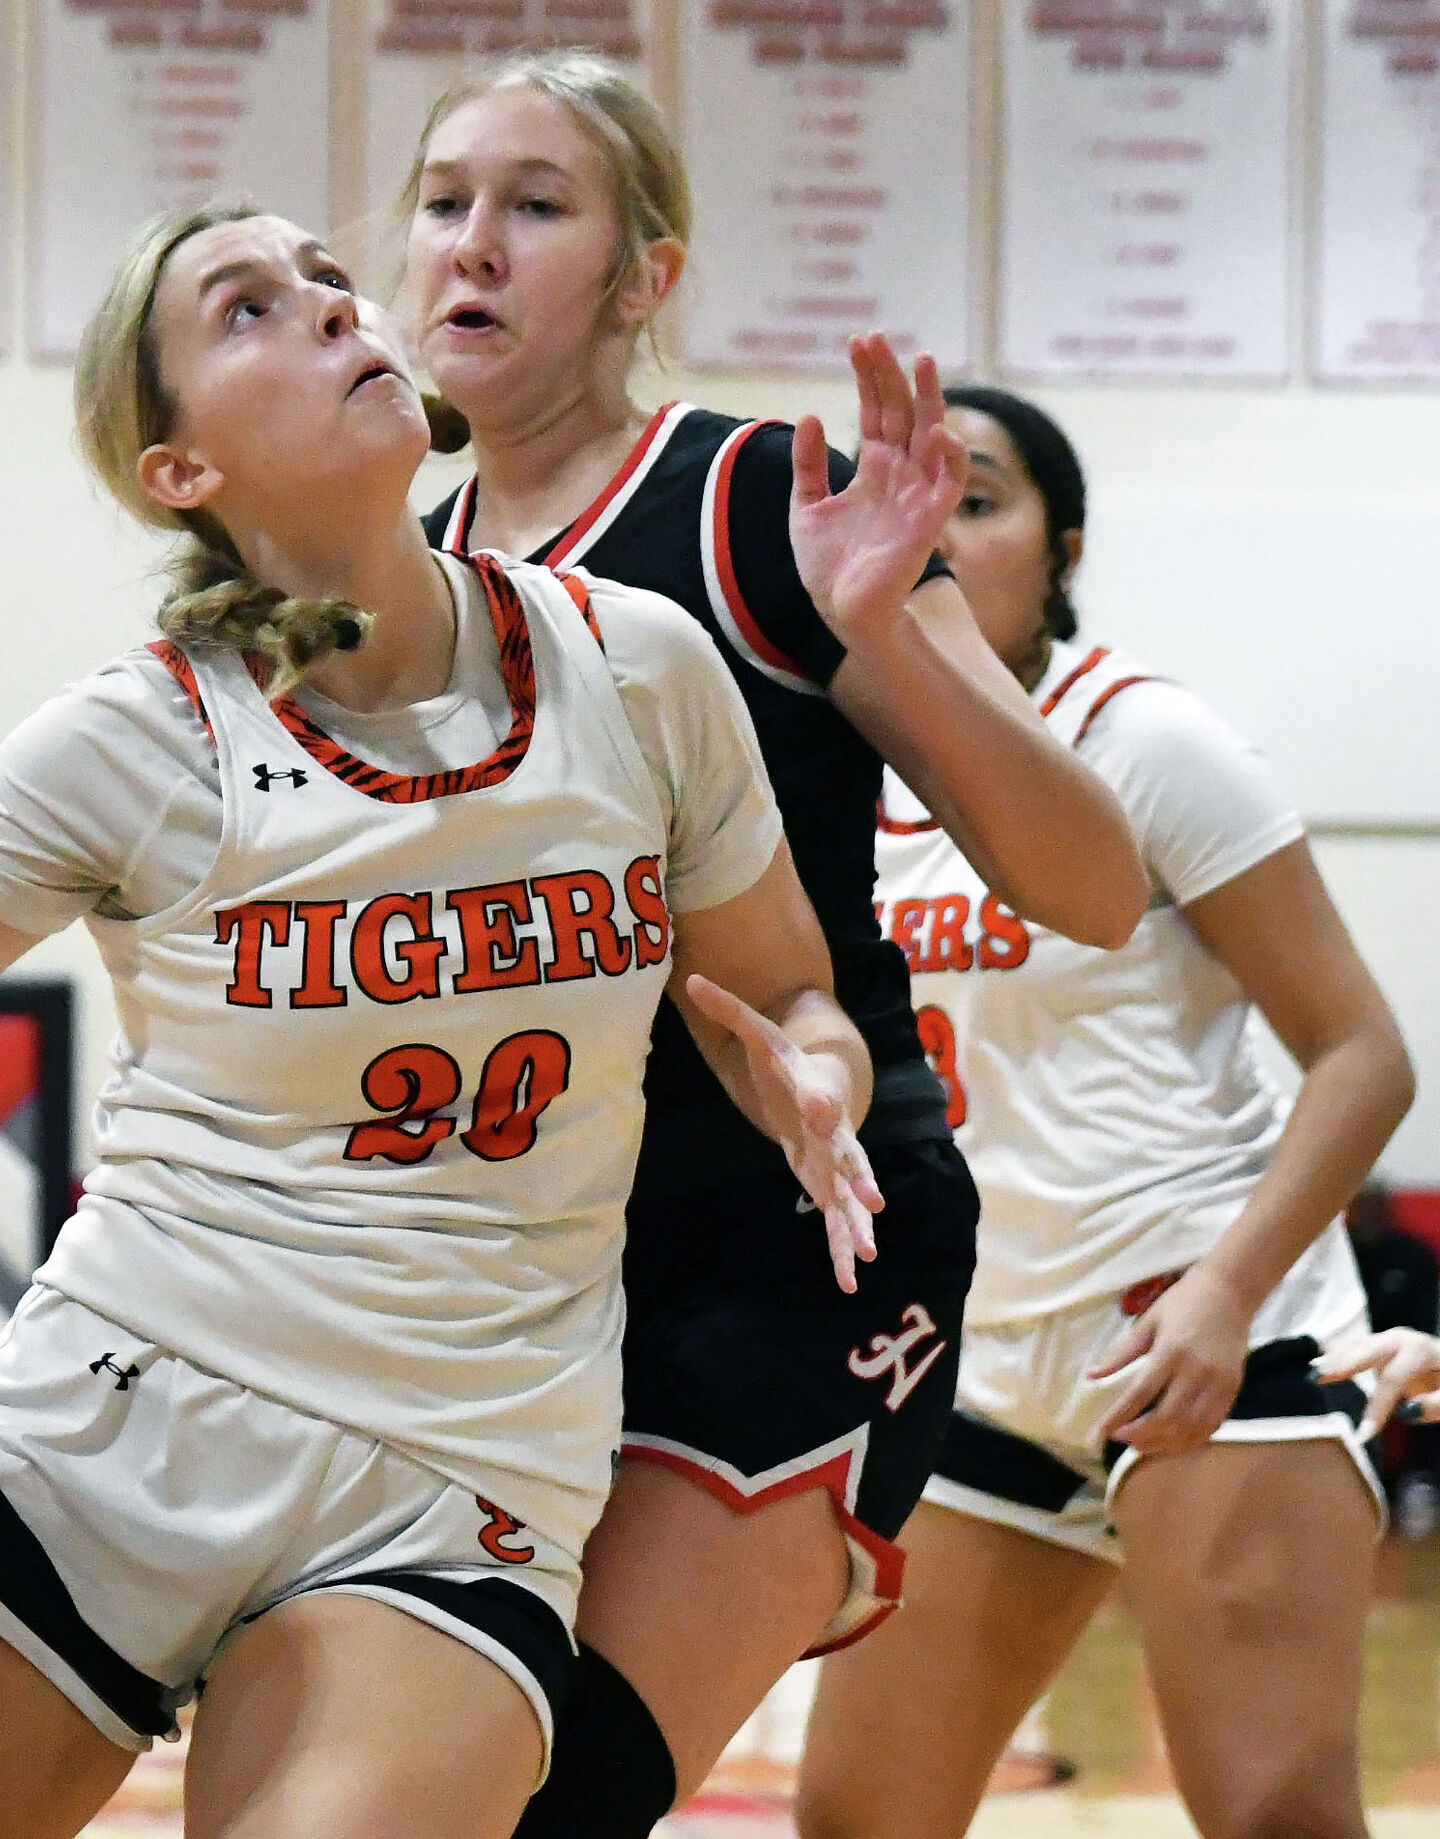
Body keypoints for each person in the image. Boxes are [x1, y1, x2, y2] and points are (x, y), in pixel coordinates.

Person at [0, 202, 889, 1839]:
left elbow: (793, 986)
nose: (326, 305)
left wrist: (815, 1074)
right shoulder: (131, 740)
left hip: (459, 1472)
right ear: (180, 472)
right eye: (248, 309)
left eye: (323, 276)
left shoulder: (637, 667)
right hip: (119, 1411)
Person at [396, 51, 1151, 1834]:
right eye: (442, 202)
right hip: (515, 1260)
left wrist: (885, 627)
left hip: (788, 1229)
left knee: (553, 1796)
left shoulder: (764, 500)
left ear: (646, 278)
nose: (472, 246)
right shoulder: (393, 561)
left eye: (536, 205)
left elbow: (1097, 885)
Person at [796, 384, 1416, 1839]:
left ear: (1060, 551)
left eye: (978, 496)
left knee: (1273, 1818)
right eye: (900, 491)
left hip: (1213, 1330)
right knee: (855, 1816)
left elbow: (1364, 1054)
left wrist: (1227, 1291)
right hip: (984, 1356)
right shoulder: (821, 776)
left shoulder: (1148, 741)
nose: (930, 527)